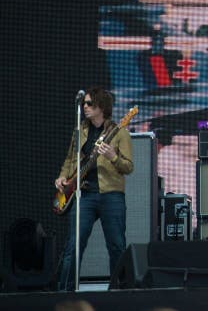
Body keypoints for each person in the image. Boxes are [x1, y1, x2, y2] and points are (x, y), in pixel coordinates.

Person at [55, 87, 133, 291]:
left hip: (111, 195)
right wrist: (63, 176)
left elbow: (128, 167)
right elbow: (71, 159)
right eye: (84, 103)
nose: (85, 107)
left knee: (116, 245)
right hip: (84, 194)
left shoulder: (120, 132)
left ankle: (119, 291)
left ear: (101, 107)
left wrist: (112, 157)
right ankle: (65, 292)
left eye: (89, 104)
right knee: (73, 246)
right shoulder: (80, 131)